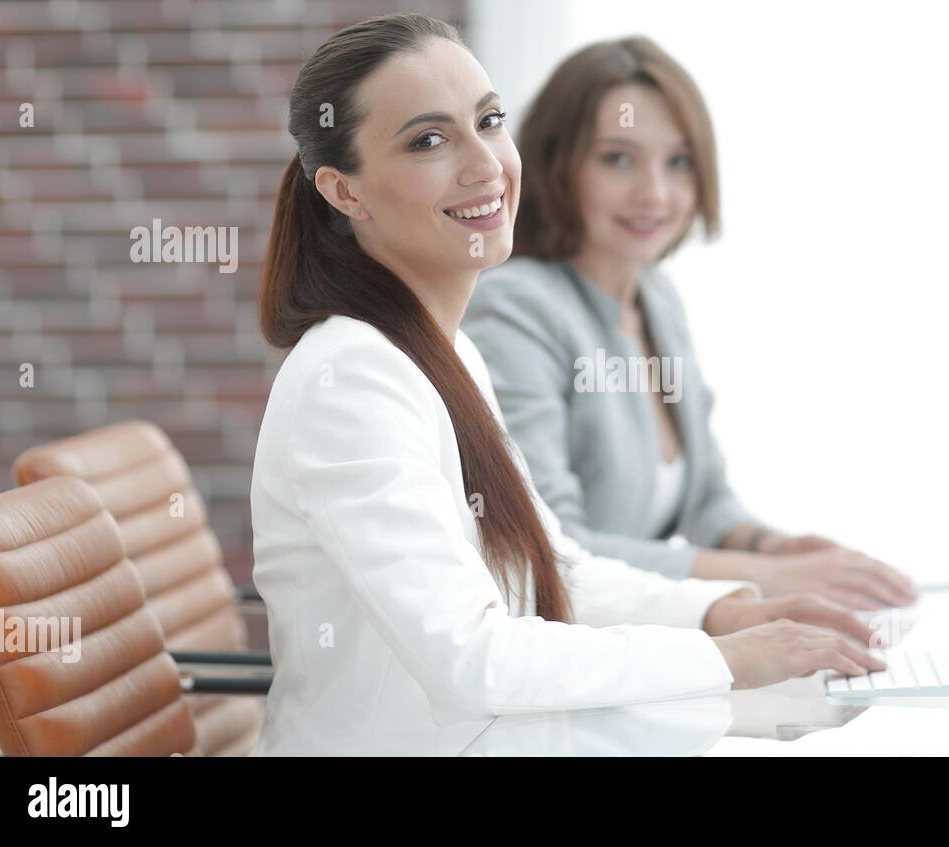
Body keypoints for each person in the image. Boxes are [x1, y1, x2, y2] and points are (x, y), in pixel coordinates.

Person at [250, 14, 883, 755]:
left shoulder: (442, 356)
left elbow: (555, 573)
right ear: (344, 192)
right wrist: (725, 663)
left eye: (488, 121)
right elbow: (474, 659)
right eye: (429, 139)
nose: (484, 163)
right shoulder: (351, 379)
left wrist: (723, 613)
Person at [463, 37, 918, 611]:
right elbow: (557, 548)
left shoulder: (656, 298)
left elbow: (702, 500)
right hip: (571, 661)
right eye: (617, 158)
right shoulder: (515, 306)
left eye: (678, 162)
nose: (654, 193)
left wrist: (775, 548)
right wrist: (769, 579)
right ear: (556, 164)